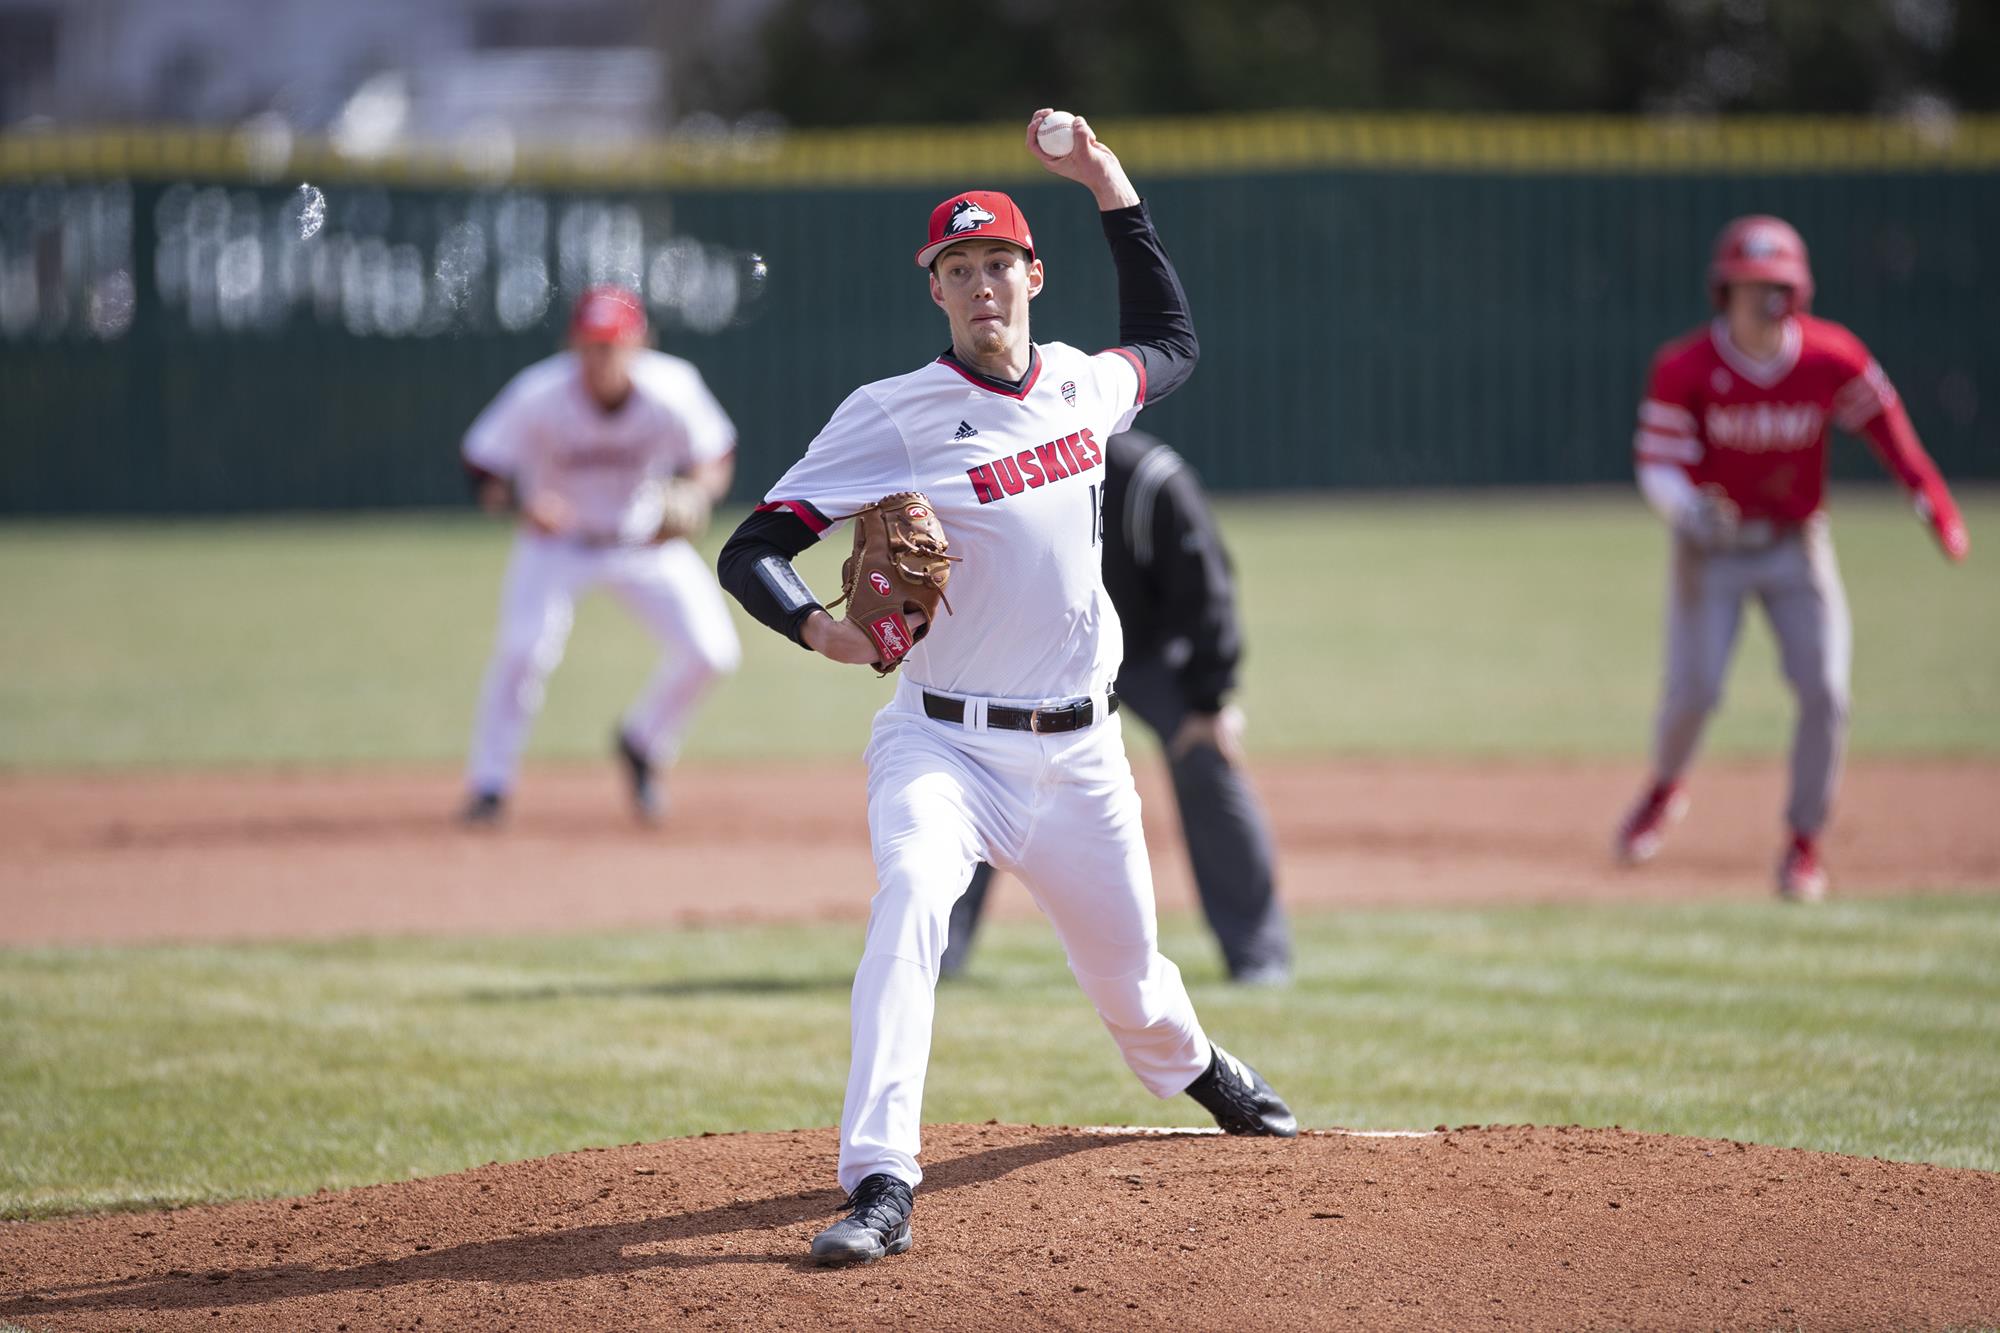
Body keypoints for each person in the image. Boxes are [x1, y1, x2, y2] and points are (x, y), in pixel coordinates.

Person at [717, 110, 1298, 1268]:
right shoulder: (889, 415)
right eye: (957, 268)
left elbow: (1172, 339)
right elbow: (751, 548)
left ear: (1032, 276)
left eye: (997, 264)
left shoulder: (1081, 387)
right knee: (909, 910)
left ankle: (1198, 1068)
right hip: (941, 750)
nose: (980, 284)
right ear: (933, 290)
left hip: (1082, 757)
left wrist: (1103, 178)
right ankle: (879, 1180)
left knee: (1133, 990)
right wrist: (822, 632)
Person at [1614, 215, 1969, 900]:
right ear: (1723, 291)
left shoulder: (1829, 357)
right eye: (1751, 286)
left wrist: (1933, 501)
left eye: (1778, 286)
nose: (1766, 300)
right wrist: (1688, 508)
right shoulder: (1685, 365)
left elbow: (1887, 429)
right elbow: (1657, 461)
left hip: (1796, 541)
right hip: (1711, 548)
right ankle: (1664, 787)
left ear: (1799, 290)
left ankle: (1804, 842)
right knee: (1694, 690)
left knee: (1826, 690)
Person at [940, 429, 1293, 984]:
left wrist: (1209, 698)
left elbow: (1208, 587)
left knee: (1206, 755)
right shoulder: (1012, 466)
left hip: (1150, 652)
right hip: (1045, 654)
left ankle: (1258, 953)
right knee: (988, 764)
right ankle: (938, 951)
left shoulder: (1150, 478)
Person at [459, 284, 742, 826]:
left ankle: (642, 743)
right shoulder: (538, 394)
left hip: (642, 542)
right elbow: (481, 468)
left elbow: (715, 454)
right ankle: (490, 786)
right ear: (573, 346)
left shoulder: (672, 387)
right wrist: (523, 503)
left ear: (640, 344)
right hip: (557, 544)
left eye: (613, 344)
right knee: (522, 653)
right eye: (590, 345)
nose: (601, 357)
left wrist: (696, 494)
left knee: (712, 652)